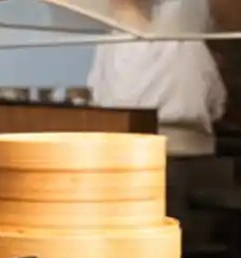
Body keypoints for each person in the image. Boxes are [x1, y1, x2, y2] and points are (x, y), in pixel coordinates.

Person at [88, 0, 227, 156]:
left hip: (129, 148)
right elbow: (216, 104)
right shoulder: (188, 45)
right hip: (181, 147)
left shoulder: (108, 46)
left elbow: (96, 95)